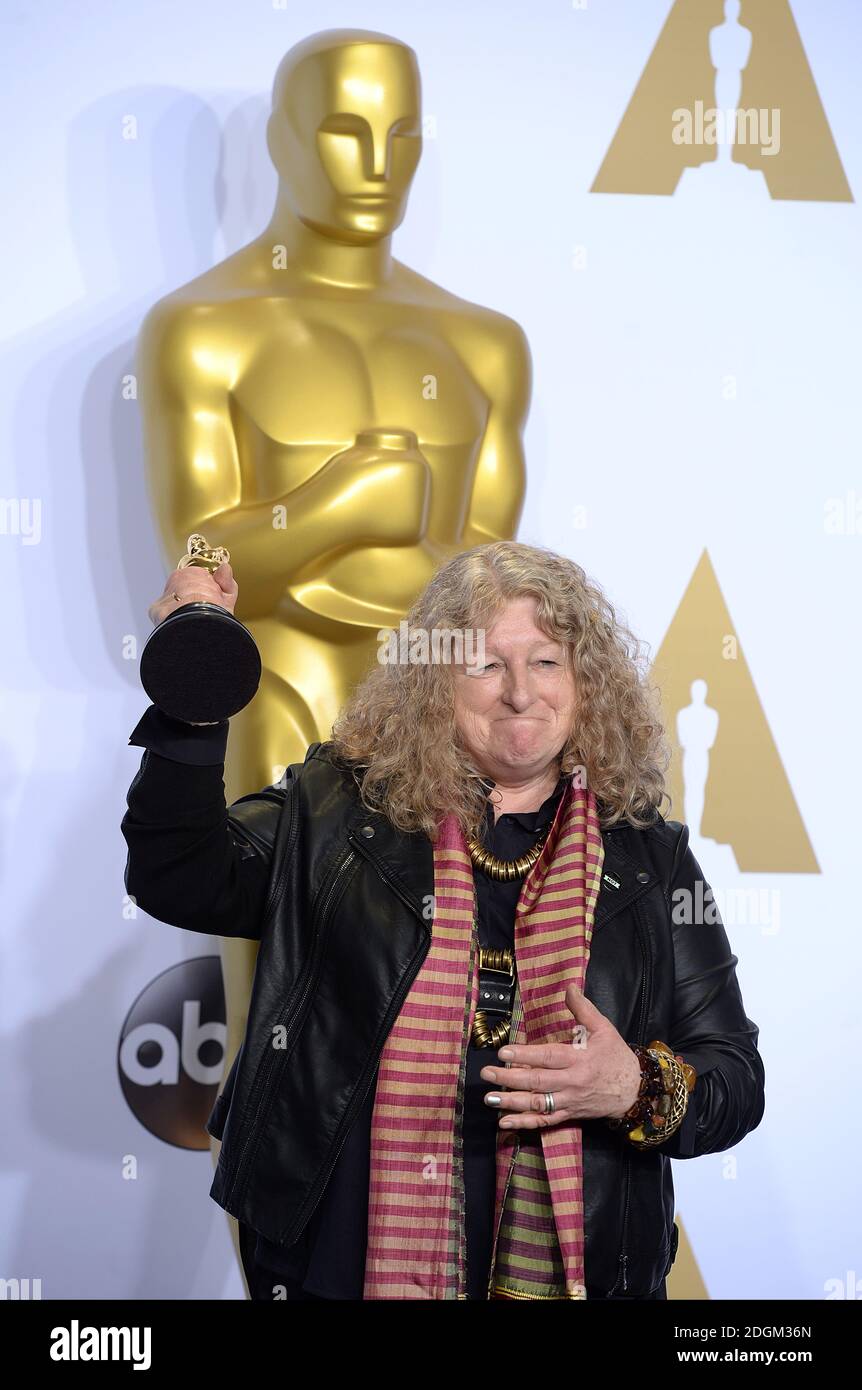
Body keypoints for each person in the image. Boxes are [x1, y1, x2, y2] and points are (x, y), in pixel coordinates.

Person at [121, 540, 765, 1301]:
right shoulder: (338, 810)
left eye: (547, 662)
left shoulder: (651, 860)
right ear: (434, 682)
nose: (521, 692)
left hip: (584, 1273)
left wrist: (633, 1085)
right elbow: (180, 877)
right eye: (487, 664)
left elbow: (735, 1079)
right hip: (341, 1270)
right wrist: (195, 684)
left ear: (586, 683)